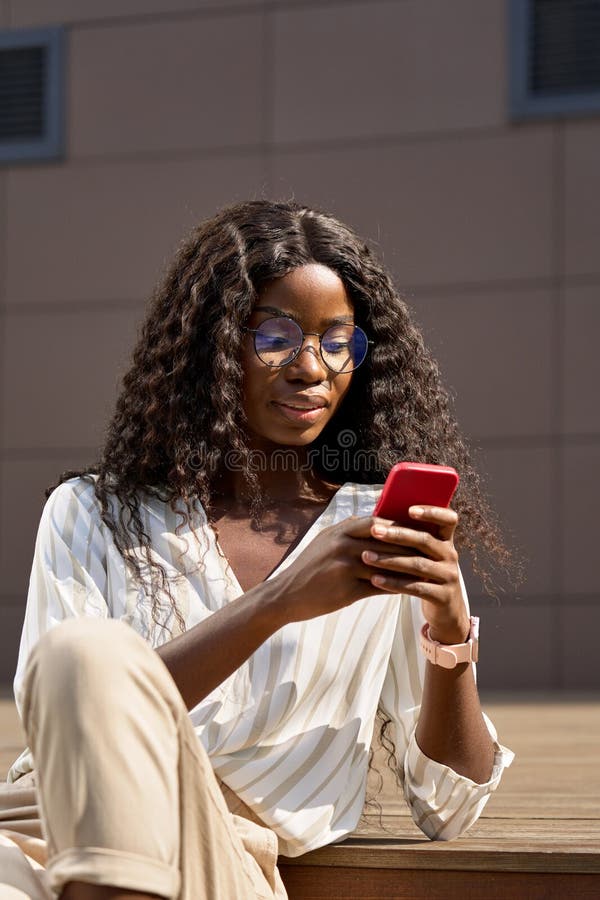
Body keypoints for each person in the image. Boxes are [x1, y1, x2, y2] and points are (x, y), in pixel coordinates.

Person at [0, 200, 514, 900]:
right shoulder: (95, 512)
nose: (313, 368)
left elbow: (449, 807)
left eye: (339, 342)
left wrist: (448, 635)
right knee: (80, 658)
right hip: (37, 826)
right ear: (212, 348)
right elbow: (62, 710)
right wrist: (274, 605)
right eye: (276, 336)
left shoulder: (372, 536)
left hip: (215, 857)